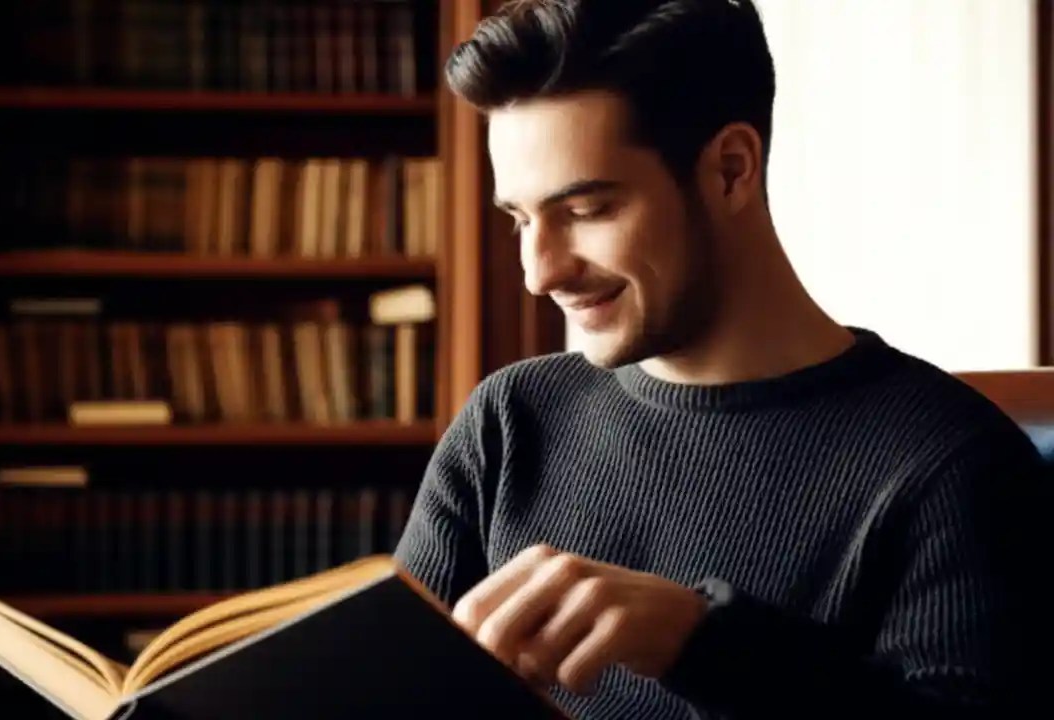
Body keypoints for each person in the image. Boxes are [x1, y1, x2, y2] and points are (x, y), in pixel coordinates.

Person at [392, 1, 1047, 718]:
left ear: (732, 170)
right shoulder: (509, 421)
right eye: (521, 219)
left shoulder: (952, 464)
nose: (539, 273)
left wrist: (700, 642)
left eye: (585, 211)